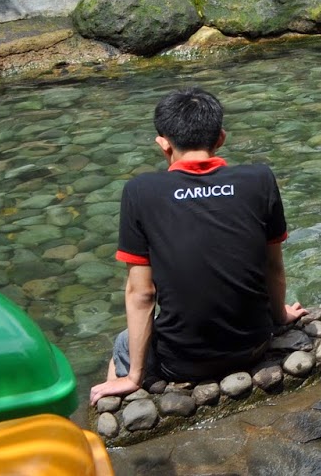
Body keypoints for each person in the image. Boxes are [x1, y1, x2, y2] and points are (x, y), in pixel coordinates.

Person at [91, 88, 307, 403]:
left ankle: (119, 406)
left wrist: (134, 376)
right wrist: (280, 317)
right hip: (256, 344)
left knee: (123, 343)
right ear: (221, 138)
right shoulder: (259, 179)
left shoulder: (140, 191)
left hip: (182, 362)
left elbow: (142, 293)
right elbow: (272, 266)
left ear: (163, 144)